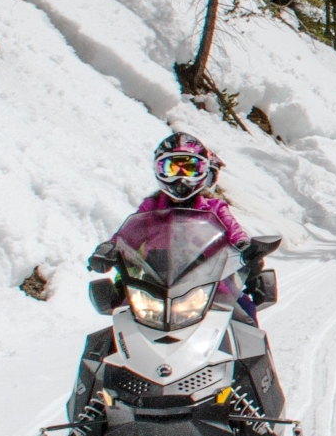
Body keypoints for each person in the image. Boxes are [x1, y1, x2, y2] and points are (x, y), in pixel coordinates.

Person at [93, 132, 274, 322]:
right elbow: (126, 237)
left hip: (209, 282)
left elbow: (236, 234)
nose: (181, 177)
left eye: (189, 168)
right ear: (159, 170)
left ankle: (256, 352)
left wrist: (247, 249)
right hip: (154, 285)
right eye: (172, 168)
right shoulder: (151, 206)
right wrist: (108, 249)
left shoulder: (215, 207)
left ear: (203, 170)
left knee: (245, 314)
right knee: (121, 321)